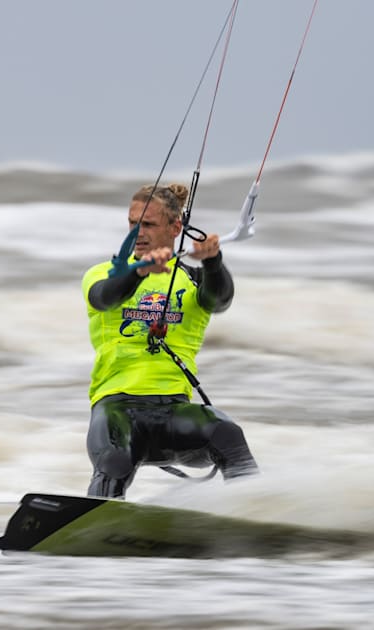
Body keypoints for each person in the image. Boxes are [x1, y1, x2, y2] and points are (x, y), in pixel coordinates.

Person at [81, 182, 258, 499]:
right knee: (115, 460)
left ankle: (255, 513)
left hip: (173, 414)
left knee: (227, 433)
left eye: (147, 224)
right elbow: (104, 298)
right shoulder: (105, 273)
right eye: (132, 223)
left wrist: (213, 261)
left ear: (175, 228)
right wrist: (138, 273)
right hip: (117, 410)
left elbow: (220, 301)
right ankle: (92, 523)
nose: (137, 233)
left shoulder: (194, 278)